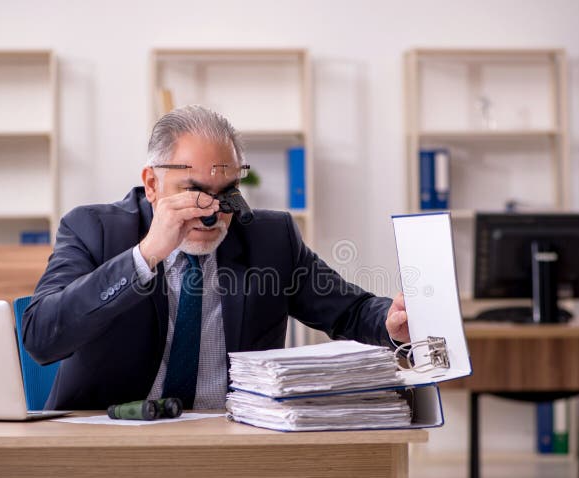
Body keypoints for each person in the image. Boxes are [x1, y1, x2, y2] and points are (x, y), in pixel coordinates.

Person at [23, 105, 410, 410]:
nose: (212, 213)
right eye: (194, 193)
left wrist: (391, 324)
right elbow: (41, 336)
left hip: (230, 444)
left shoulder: (269, 238)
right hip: (109, 442)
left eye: (226, 193)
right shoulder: (93, 230)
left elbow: (351, 311)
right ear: (153, 183)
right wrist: (146, 255)